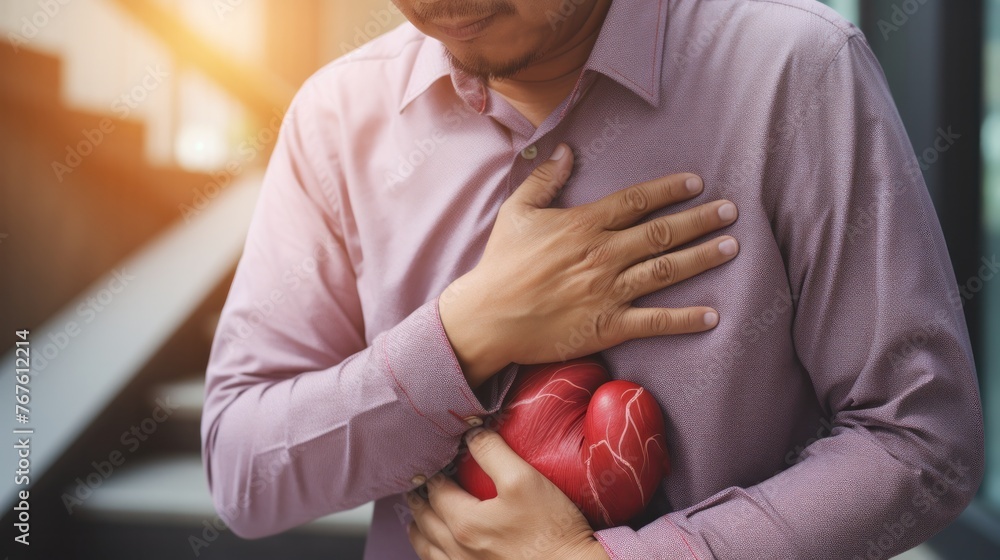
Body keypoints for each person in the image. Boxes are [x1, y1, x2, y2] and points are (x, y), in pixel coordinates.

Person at [200, 0, 986, 558]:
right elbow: (244, 475)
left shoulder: (795, 71)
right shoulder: (336, 120)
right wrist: (469, 329)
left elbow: (919, 441)